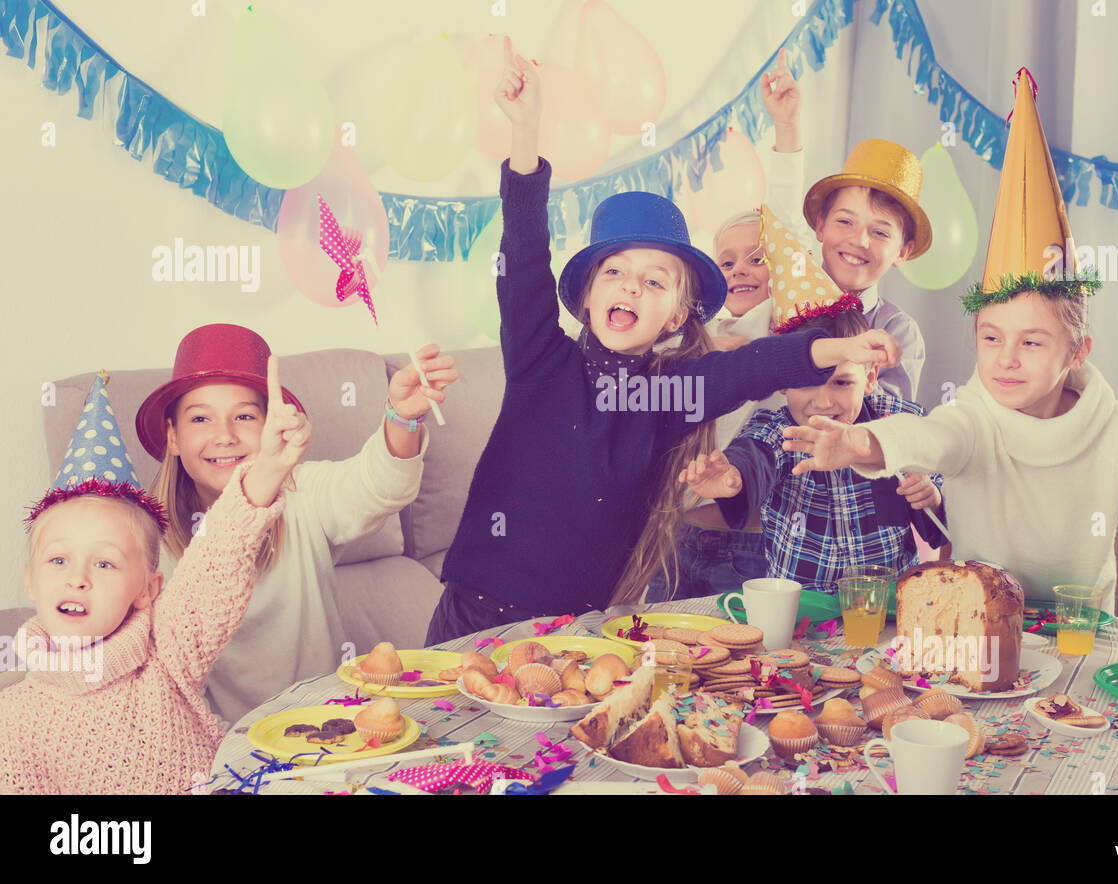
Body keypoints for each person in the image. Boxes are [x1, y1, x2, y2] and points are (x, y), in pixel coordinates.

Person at [782, 69, 1118, 685]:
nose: (1005, 359)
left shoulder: (1109, 427)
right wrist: (858, 442)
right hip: (974, 628)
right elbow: (926, 438)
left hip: (1081, 636)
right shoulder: (973, 416)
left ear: (1077, 352)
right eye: (990, 339)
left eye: (1032, 341)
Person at [425, 42, 902, 645]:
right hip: (475, 614)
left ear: (676, 315)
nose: (631, 287)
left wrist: (836, 351)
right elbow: (522, 256)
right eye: (615, 273)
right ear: (588, 294)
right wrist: (525, 136)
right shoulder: (538, 360)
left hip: (578, 632)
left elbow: (750, 370)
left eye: (654, 282)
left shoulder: (670, 395)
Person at [135, 324, 457, 724]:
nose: (224, 436)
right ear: (173, 437)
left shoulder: (303, 493)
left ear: (275, 425)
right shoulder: (147, 536)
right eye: (201, 419)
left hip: (324, 722)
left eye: (245, 416)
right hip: (221, 746)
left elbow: (379, 486)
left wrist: (402, 419)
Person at [0, 369, 299, 793]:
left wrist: (267, 470)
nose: (78, 578)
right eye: (59, 560)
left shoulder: (167, 652)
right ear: (30, 580)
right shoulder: (13, 720)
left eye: (105, 564)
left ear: (147, 589)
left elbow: (215, 565)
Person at [645, 47, 809, 602]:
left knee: (736, 668)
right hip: (673, 537)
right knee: (664, 657)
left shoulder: (786, 324)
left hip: (749, 545)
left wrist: (785, 130)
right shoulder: (693, 330)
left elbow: (784, 230)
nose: (741, 268)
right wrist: (703, 341)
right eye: (727, 260)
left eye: (756, 258)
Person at [682, 299, 948, 593]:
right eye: (806, 383)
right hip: (801, 613)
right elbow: (756, 453)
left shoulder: (898, 421)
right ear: (781, 382)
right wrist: (735, 476)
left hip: (882, 608)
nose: (823, 403)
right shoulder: (779, 430)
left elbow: (942, 523)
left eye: (842, 383)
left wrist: (931, 497)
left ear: (870, 378)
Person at [800, 138, 934, 401]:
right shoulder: (785, 300)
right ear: (820, 226)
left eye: (880, 232)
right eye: (845, 221)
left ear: (902, 252)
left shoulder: (898, 331)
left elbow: (890, 419)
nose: (860, 240)